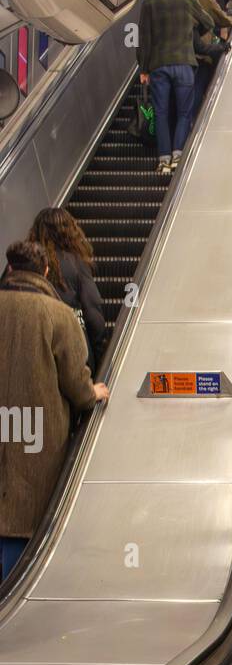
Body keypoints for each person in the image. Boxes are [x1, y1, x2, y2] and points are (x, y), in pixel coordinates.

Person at [0, 241, 109, 581]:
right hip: (37, 435)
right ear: (46, 271)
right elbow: (77, 383)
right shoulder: (57, 314)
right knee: (25, 516)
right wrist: (92, 392)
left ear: (12, 269)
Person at [137, 0, 213, 177]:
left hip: (159, 66)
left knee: (160, 113)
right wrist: (191, 37)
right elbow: (209, 22)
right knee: (183, 112)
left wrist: (144, 69)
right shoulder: (188, 1)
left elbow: (144, 40)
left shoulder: (149, 5)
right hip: (184, 64)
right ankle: (178, 154)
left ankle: (163, 160)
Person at [29, 207, 106, 373]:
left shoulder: (23, 266)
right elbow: (92, 312)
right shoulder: (76, 262)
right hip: (74, 349)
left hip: (34, 351)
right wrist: (100, 354)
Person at [183, 0, 232, 111]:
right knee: (199, 85)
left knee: (185, 90)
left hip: (183, 52)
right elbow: (221, 17)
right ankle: (193, 117)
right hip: (202, 50)